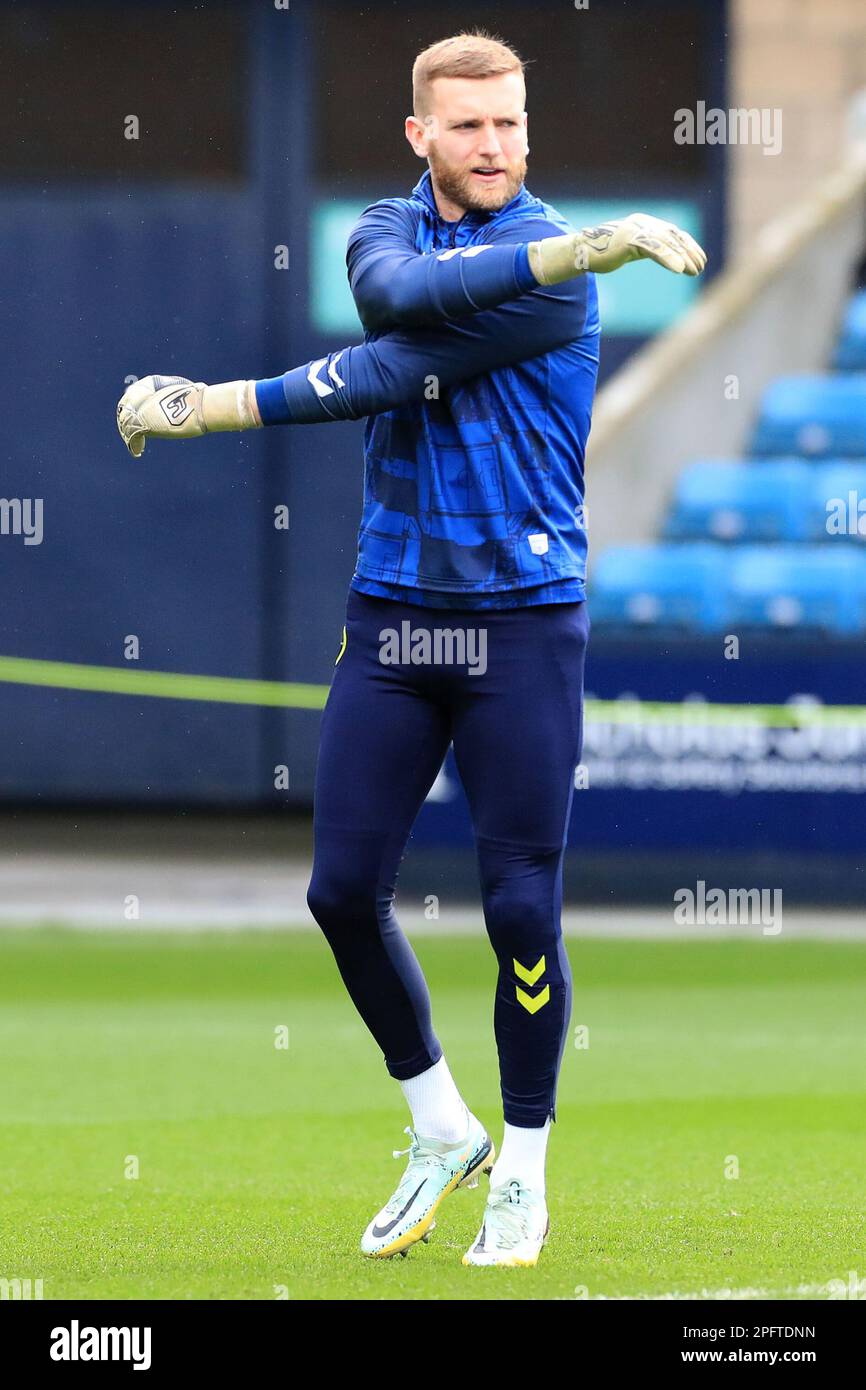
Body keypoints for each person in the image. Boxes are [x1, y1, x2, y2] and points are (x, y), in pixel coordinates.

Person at [117, 29, 705, 1268]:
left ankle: (524, 1173)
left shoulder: (562, 274)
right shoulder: (382, 228)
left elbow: (387, 365)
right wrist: (582, 234)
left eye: (510, 123)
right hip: (394, 617)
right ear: (419, 135)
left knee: (518, 911)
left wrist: (215, 403)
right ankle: (440, 1125)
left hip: (526, 617)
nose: (494, 145)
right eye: (469, 125)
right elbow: (394, 305)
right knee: (338, 894)